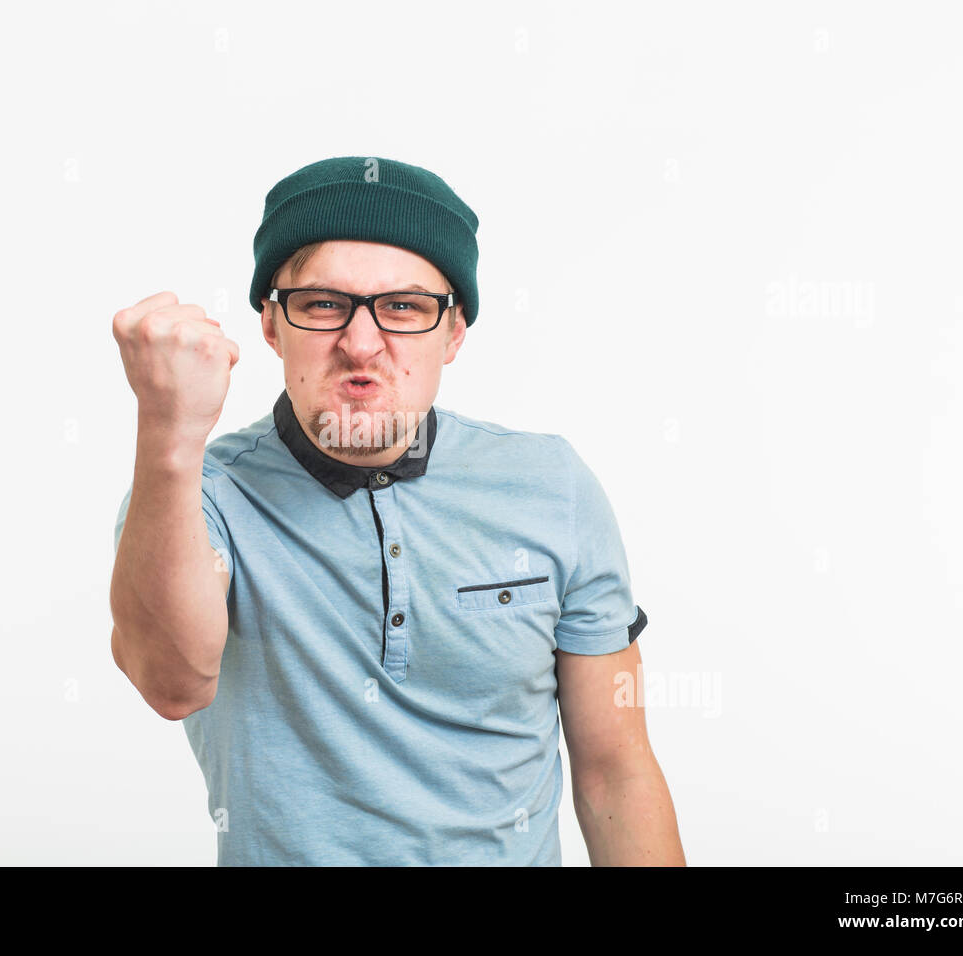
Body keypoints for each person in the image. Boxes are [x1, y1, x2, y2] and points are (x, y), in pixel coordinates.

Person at [109, 155, 684, 866]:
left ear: (454, 332)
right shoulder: (194, 494)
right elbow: (171, 682)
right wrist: (169, 432)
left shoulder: (552, 486)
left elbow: (616, 774)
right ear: (269, 324)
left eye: (404, 307)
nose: (360, 341)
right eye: (323, 303)